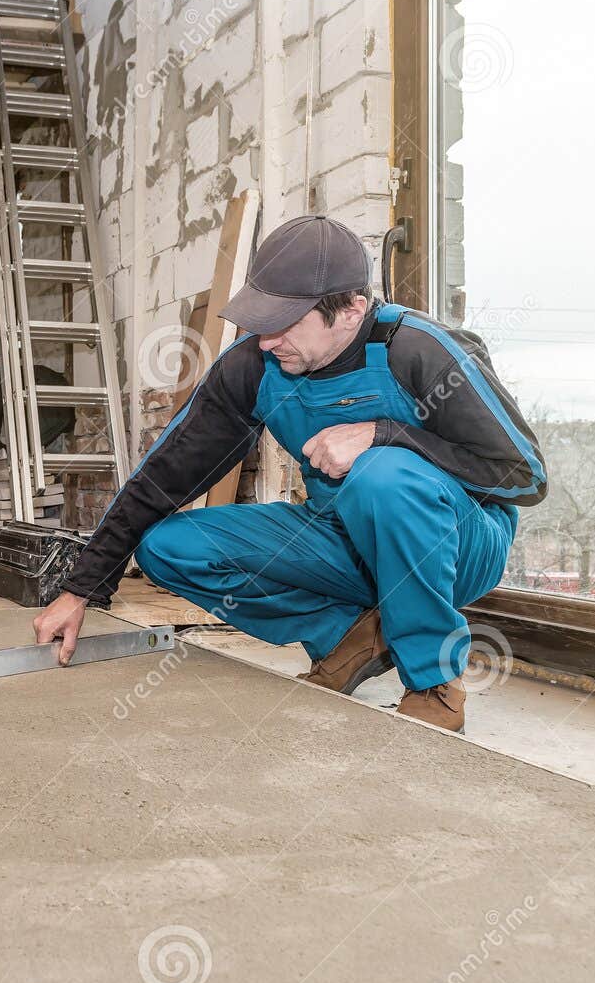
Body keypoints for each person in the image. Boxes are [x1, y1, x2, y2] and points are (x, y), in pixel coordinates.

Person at [32, 215, 547, 732]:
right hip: (341, 537)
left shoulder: (420, 350)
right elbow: (162, 475)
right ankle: (351, 636)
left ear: (350, 310)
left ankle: (433, 680)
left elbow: (524, 476)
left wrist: (384, 433)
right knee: (166, 546)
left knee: (382, 475)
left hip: (459, 545)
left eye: (284, 321)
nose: (264, 340)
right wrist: (81, 590)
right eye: (260, 319)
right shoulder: (254, 368)